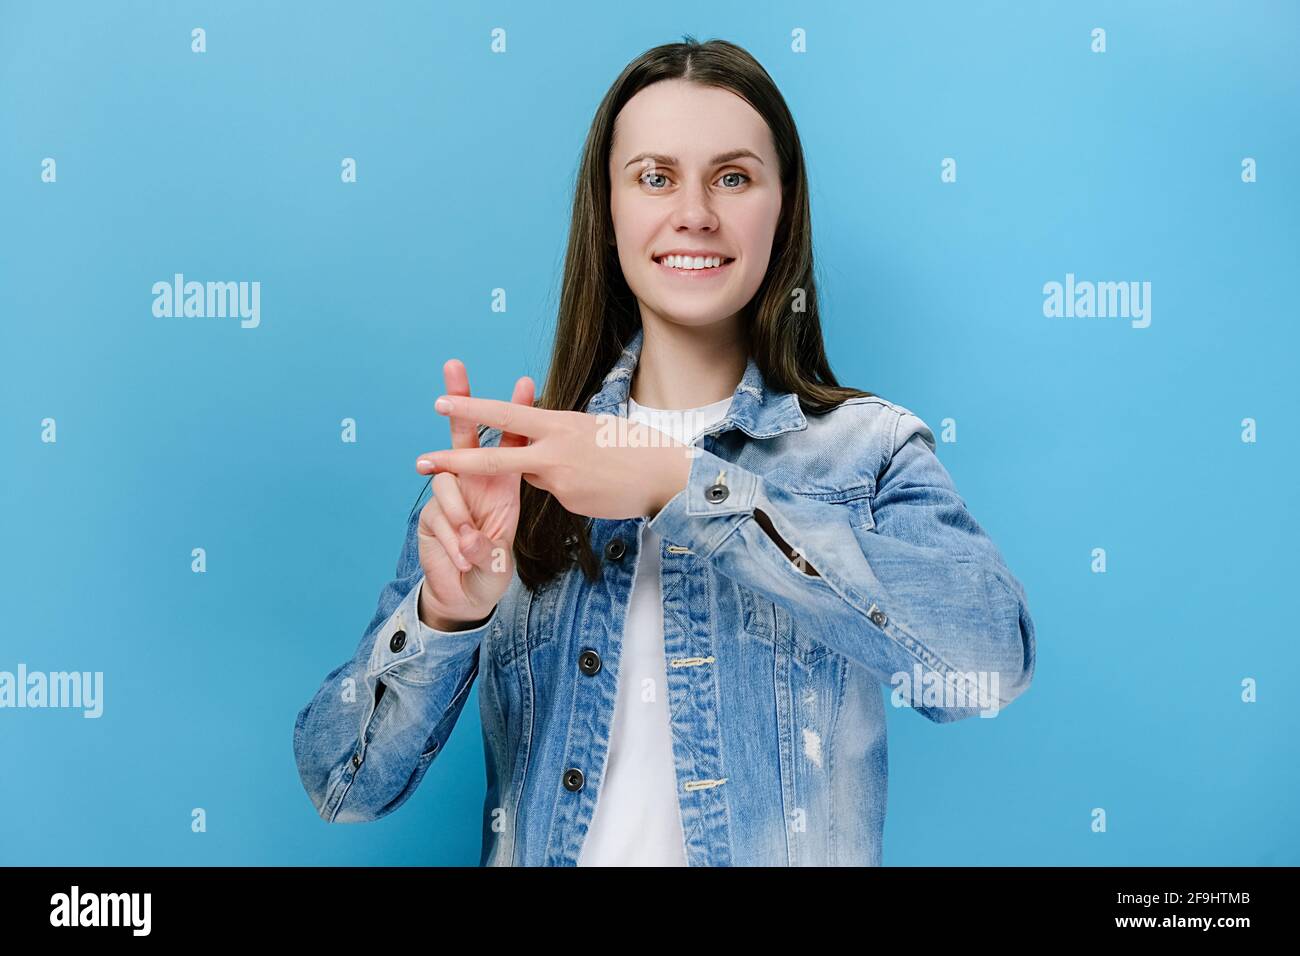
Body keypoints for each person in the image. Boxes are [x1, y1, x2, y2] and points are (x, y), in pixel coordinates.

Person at [293, 36, 1037, 866]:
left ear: (781, 208)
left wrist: (680, 484)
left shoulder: (868, 452)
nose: (695, 212)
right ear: (608, 214)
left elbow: (989, 666)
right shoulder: (515, 471)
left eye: (733, 177)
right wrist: (448, 616)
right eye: (654, 177)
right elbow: (340, 784)